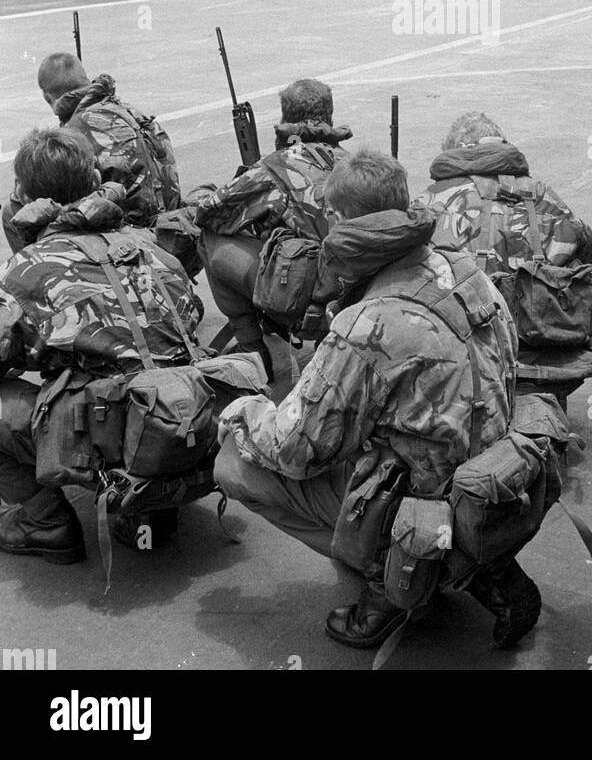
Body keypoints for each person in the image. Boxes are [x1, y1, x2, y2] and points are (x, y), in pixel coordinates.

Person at [215, 147, 542, 651]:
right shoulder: (469, 273)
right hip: (495, 480)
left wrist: (243, 410)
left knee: (236, 467)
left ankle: (391, 580)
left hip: (421, 501)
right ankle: (482, 564)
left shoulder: (369, 323)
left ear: (342, 220)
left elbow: (295, 451)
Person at [0, 128, 203, 562]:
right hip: (184, 424)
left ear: (25, 197)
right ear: (95, 181)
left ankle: (45, 523)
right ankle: (146, 513)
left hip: (112, 433)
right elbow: (190, 317)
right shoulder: (153, 248)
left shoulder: (27, 268)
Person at [415, 111, 592, 396]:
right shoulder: (549, 199)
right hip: (550, 371)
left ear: (454, 153)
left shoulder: (428, 204)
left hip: (461, 377)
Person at [195, 78, 352, 380]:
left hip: (311, 306)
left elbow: (210, 213)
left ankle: (252, 349)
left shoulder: (275, 165)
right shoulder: (357, 162)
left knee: (210, 238)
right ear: (330, 116)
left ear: (284, 118)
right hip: (362, 298)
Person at [2, 53, 181, 251]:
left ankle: (39, 271)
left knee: (15, 209)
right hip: (172, 229)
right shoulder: (129, 111)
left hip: (132, 241)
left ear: (47, 96)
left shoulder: (74, 133)